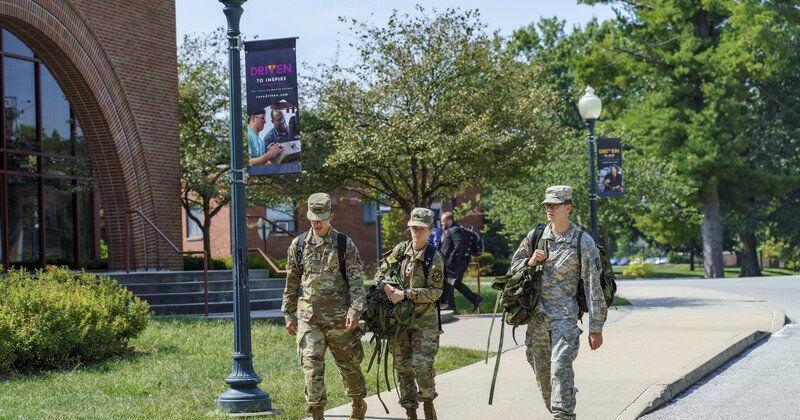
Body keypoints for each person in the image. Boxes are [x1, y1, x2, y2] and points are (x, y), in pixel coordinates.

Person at [508, 185, 607, 420]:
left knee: (560, 366)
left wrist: (596, 327)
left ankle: (563, 414)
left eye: (555, 205)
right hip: (537, 318)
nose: (549, 209)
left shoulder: (583, 241)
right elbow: (513, 269)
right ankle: (562, 403)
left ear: (568, 207)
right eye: (547, 205)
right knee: (543, 374)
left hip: (565, 317)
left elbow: (594, 285)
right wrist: (530, 261)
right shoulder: (536, 237)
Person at [282, 193, 368, 420]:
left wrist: (355, 310)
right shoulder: (298, 245)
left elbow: (356, 282)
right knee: (311, 367)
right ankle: (317, 413)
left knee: (349, 367)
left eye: (321, 217)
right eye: (313, 217)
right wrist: (289, 313)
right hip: (309, 318)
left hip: (341, 319)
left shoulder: (343, 244)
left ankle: (358, 402)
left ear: (331, 215)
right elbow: (291, 282)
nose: (317, 222)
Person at [376, 208, 444, 420]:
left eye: (421, 229)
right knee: (402, 367)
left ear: (430, 230)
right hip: (400, 321)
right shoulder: (400, 250)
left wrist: (405, 294)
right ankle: (410, 411)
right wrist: (386, 287)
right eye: (414, 228)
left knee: (421, 364)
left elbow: (435, 292)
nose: (416, 232)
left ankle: (428, 401)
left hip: (425, 321)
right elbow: (380, 273)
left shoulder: (434, 256)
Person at [439, 212, 482, 312]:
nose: (441, 223)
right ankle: (475, 298)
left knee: (448, 281)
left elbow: (460, 245)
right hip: (459, 262)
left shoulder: (455, 229)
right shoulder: (452, 229)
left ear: (449, 220)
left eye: (443, 221)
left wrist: (451, 260)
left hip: (455, 262)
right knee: (456, 283)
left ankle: (448, 305)